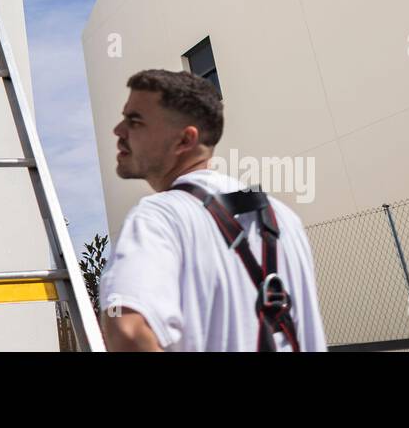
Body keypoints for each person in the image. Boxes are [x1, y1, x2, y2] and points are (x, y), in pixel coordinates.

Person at [100, 69, 327, 351]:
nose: (118, 131)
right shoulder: (283, 217)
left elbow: (127, 329)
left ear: (184, 140)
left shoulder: (158, 216)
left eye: (134, 121)